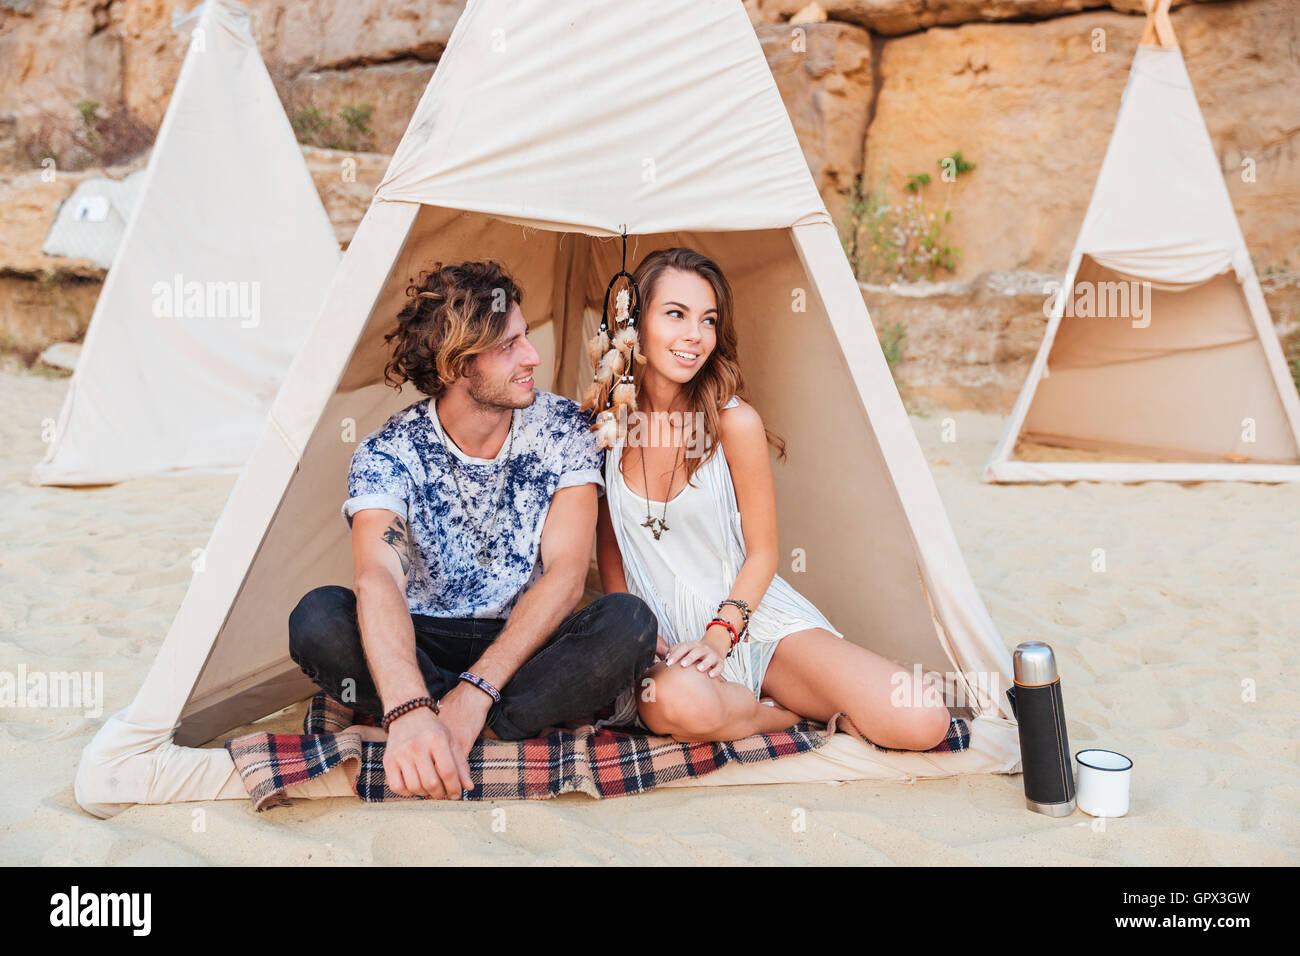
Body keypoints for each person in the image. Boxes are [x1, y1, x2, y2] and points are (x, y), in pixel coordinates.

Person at [289, 260, 657, 801]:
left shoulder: (563, 428)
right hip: (422, 640)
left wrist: (476, 691)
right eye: (510, 346)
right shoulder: (389, 451)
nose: (532, 356)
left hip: (524, 642)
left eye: (525, 337)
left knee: (628, 622)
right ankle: (447, 725)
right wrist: (410, 705)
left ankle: (457, 728)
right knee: (317, 617)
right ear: (457, 365)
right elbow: (377, 579)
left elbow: (567, 576)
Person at [595, 248, 952, 750]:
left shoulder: (734, 423)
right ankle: (772, 717)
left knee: (921, 720)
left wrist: (721, 634)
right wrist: (633, 631)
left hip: (749, 620)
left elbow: (764, 552)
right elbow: (610, 548)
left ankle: (757, 700)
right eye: (675, 314)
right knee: (677, 703)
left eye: (709, 320)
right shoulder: (608, 427)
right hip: (667, 643)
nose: (695, 336)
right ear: (633, 325)